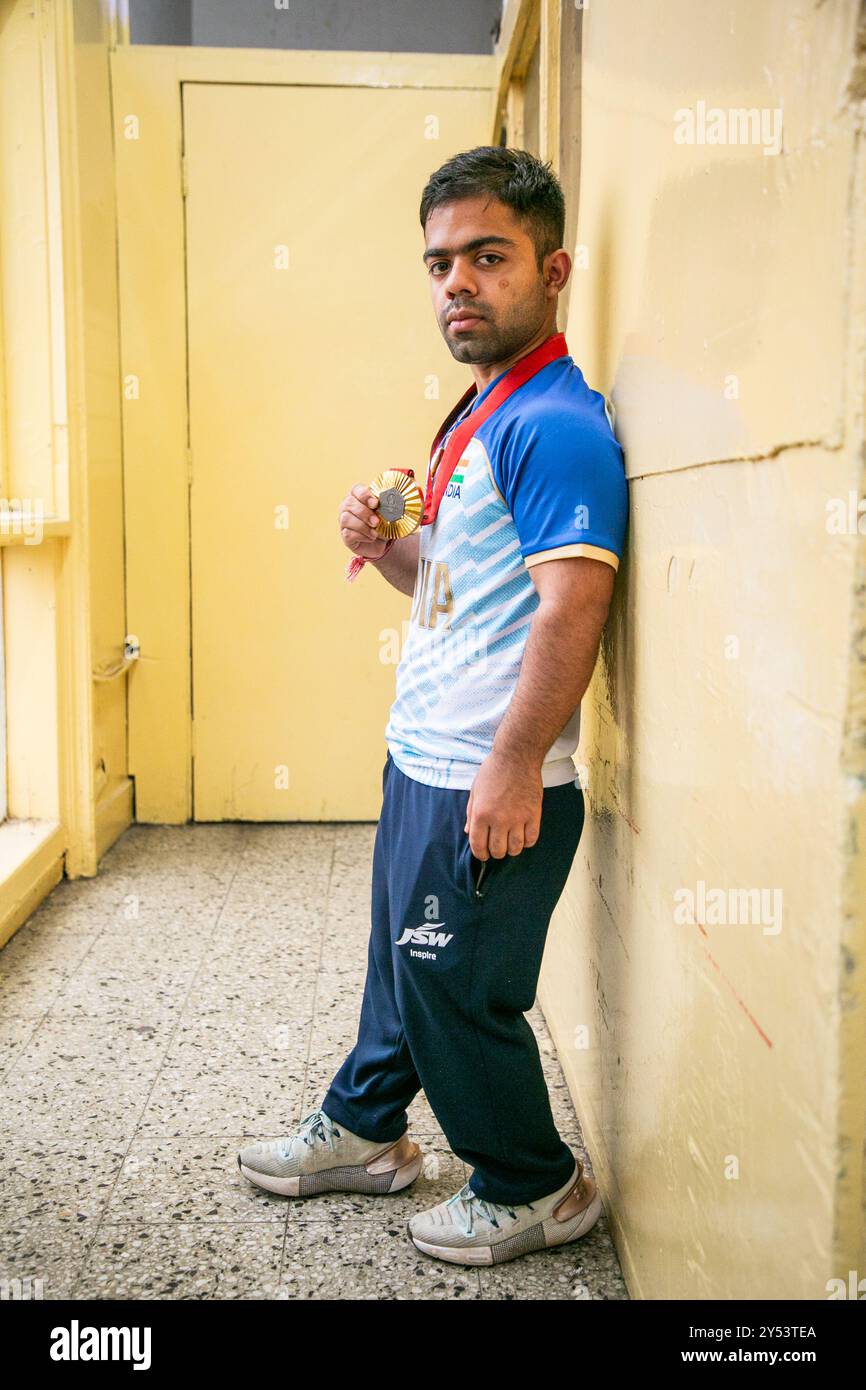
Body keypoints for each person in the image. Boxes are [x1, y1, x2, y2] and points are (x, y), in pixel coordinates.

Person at [238, 146, 628, 1268]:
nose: (457, 282)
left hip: (487, 775)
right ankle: (367, 1128)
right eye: (439, 262)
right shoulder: (476, 408)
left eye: (487, 257)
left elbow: (571, 609)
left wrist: (509, 766)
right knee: (401, 963)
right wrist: (391, 547)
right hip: (426, 757)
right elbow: (456, 591)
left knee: (453, 985)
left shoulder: (551, 422)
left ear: (552, 270)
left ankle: (533, 1183)